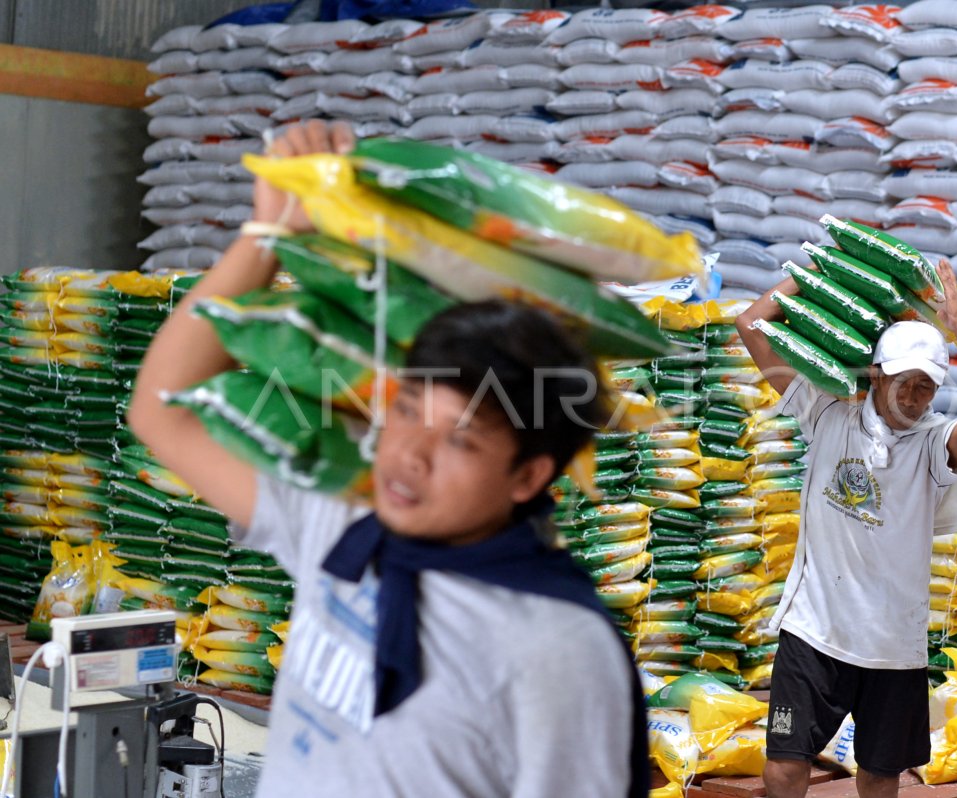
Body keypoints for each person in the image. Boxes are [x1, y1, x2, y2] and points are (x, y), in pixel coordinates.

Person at [128, 120, 647, 798]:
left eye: (460, 438)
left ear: (530, 475)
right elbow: (163, 411)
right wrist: (267, 235)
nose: (410, 455)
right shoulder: (347, 529)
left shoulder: (553, 647)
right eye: (405, 411)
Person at [735, 261, 957, 798]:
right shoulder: (827, 412)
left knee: (881, 776)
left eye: (926, 387)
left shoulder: (932, 445)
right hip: (816, 630)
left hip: (893, 645)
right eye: (905, 382)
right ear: (877, 373)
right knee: (785, 766)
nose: (914, 397)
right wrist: (821, 269)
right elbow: (751, 325)